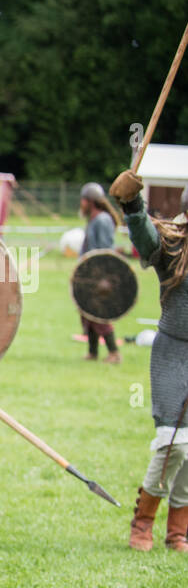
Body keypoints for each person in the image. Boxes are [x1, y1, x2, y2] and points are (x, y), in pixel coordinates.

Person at [110, 169, 188, 552]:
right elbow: (146, 239)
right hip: (174, 351)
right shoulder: (174, 246)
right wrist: (133, 205)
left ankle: (178, 531)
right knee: (171, 444)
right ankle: (143, 523)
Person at [77, 182, 123, 363]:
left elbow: (104, 251)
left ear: (90, 201)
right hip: (89, 274)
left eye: (83, 200)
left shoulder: (102, 220)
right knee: (87, 313)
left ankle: (114, 353)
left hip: (99, 275)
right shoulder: (94, 219)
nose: (81, 204)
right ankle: (93, 352)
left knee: (98, 314)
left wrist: (100, 276)